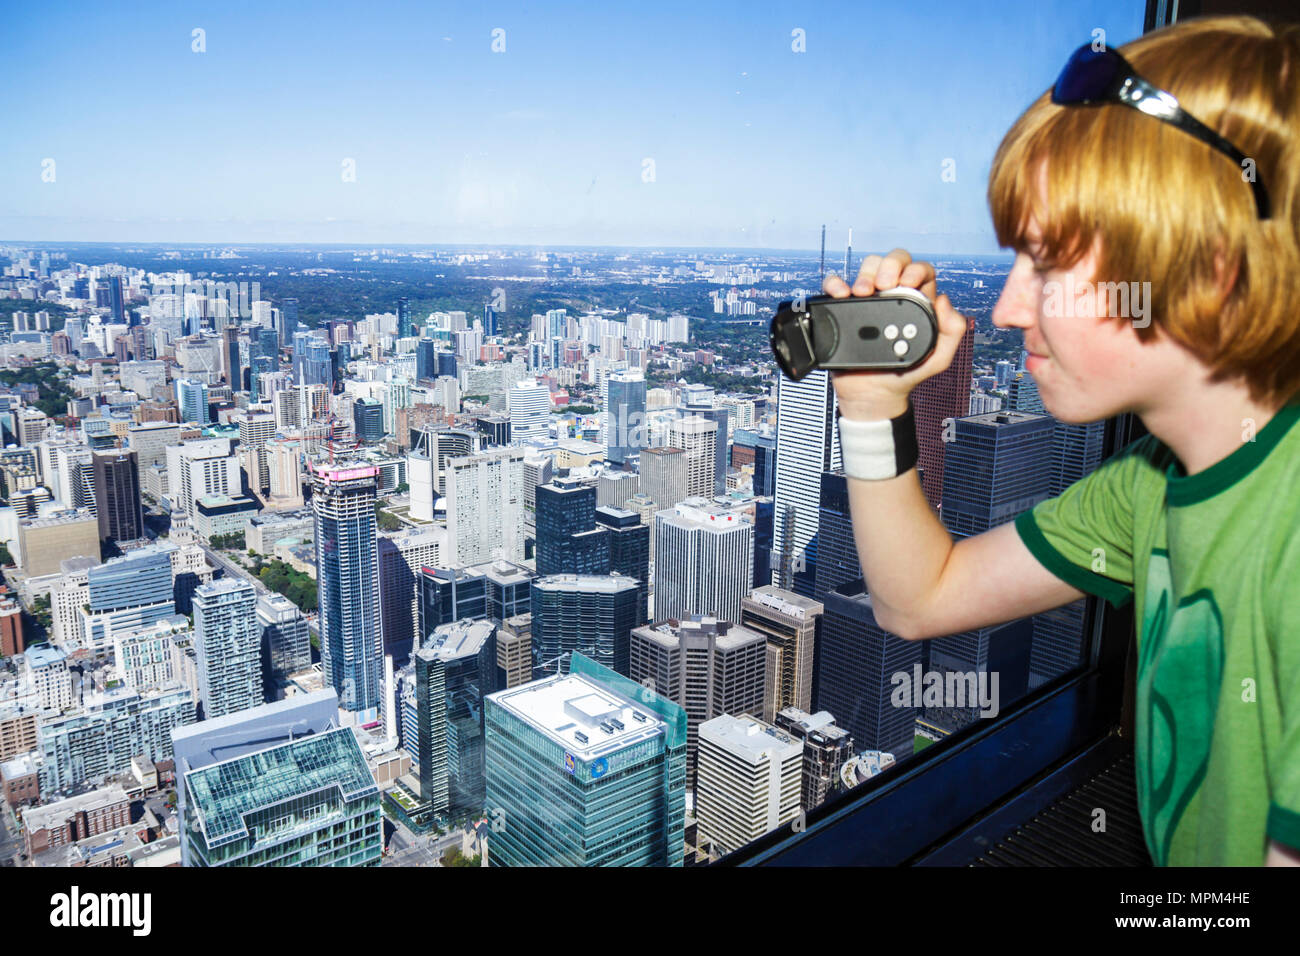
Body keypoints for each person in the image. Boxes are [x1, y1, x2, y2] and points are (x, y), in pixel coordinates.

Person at [824, 15, 1300, 867]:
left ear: (1209, 268)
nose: (1007, 310)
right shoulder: (1155, 484)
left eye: (1046, 265)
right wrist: (870, 405)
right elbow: (917, 597)